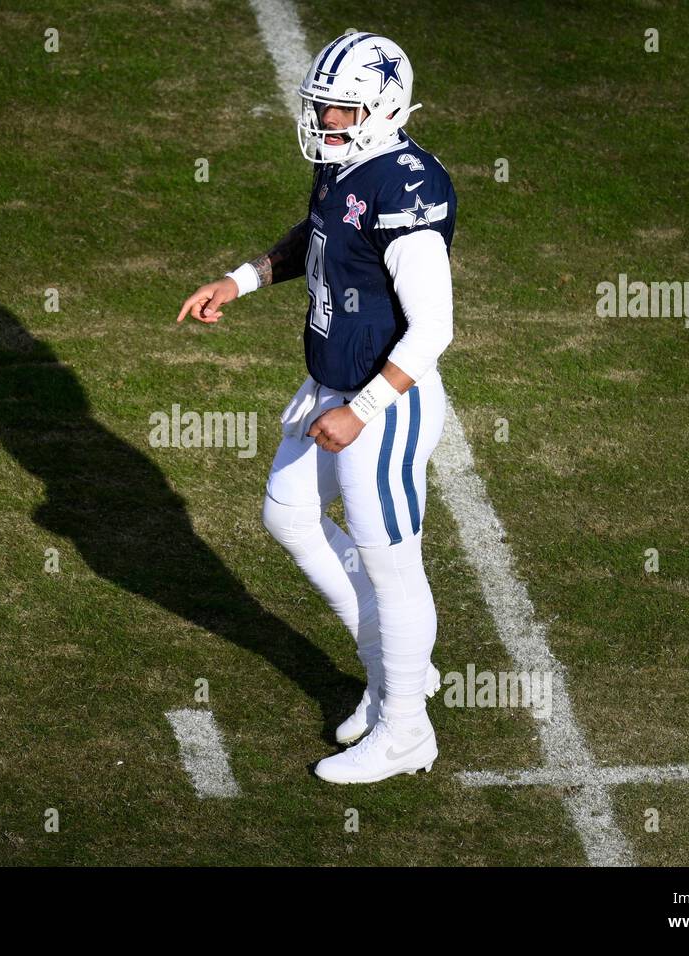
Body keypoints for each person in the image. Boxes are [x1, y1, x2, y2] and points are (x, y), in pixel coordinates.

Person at [175, 32, 456, 783]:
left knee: (394, 566)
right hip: (332, 386)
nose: (323, 119)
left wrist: (362, 408)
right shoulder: (346, 165)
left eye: (336, 108)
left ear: (380, 106)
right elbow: (319, 237)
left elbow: (435, 327)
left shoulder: (409, 190)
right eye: (321, 106)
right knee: (289, 515)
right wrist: (240, 279)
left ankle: (406, 731)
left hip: (383, 401)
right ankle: (396, 674)